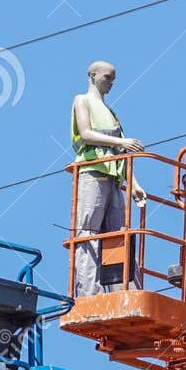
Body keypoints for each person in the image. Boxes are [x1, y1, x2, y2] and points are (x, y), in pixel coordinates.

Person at [71, 61, 145, 295]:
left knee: (119, 234)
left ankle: (125, 292)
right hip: (92, 174)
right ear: (92, 76)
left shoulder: (112, 114)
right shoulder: (82, 100)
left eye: (114, 79)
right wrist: (122, 141)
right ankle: (88, 293)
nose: (111, 83)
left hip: (113, 178)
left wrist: (133, 184)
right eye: (107, 77)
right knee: (89, 231)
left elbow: (121, 155)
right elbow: (86, 133)